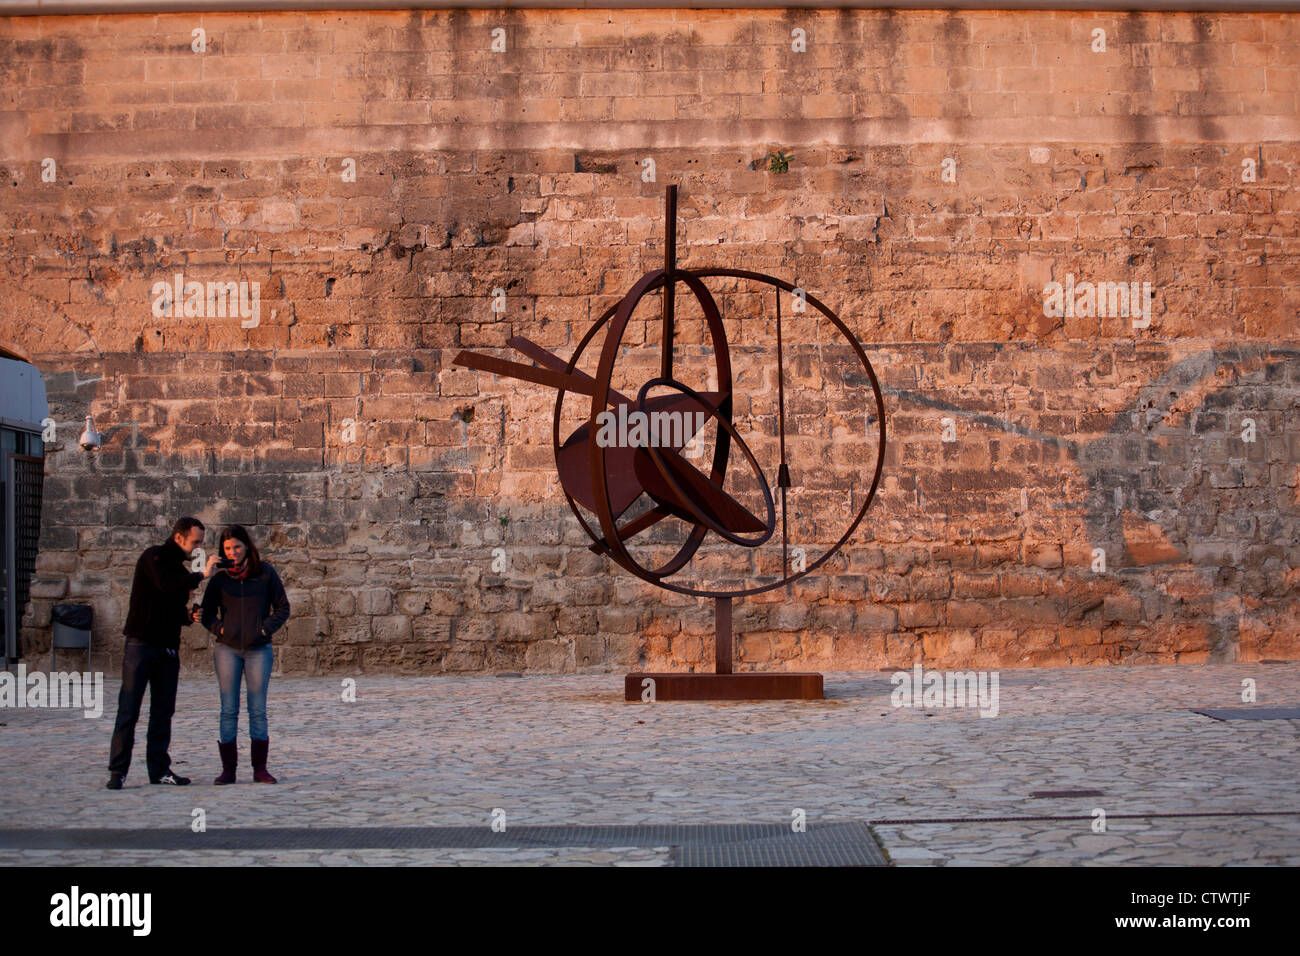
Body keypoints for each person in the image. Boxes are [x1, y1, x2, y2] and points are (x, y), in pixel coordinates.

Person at [107, 516, 220, 789]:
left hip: (168, 648)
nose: (198, 547)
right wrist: (202, 575)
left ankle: (159, 770)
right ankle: (118, 771)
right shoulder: (153, 557)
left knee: (162, 712)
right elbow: (163, 584)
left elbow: (170, 607)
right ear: (179, 537)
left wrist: (189, 616)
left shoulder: (182, 572)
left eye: (200, 543)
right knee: (128, 710)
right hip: (140, 645)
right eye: (195, 541)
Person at [198, 525, 290, 784]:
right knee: (228, 709)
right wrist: (220, 628)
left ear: (247, 546)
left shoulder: (264, 574)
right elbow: (206, 613)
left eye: (237, 547)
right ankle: (229, 769)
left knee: (257, 708)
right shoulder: (220, 578)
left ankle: (260, 768)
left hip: (258, 649)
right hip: (227, 649)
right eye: (228, 548)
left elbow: (283, 607)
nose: (233, 552)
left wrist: (264, 628)